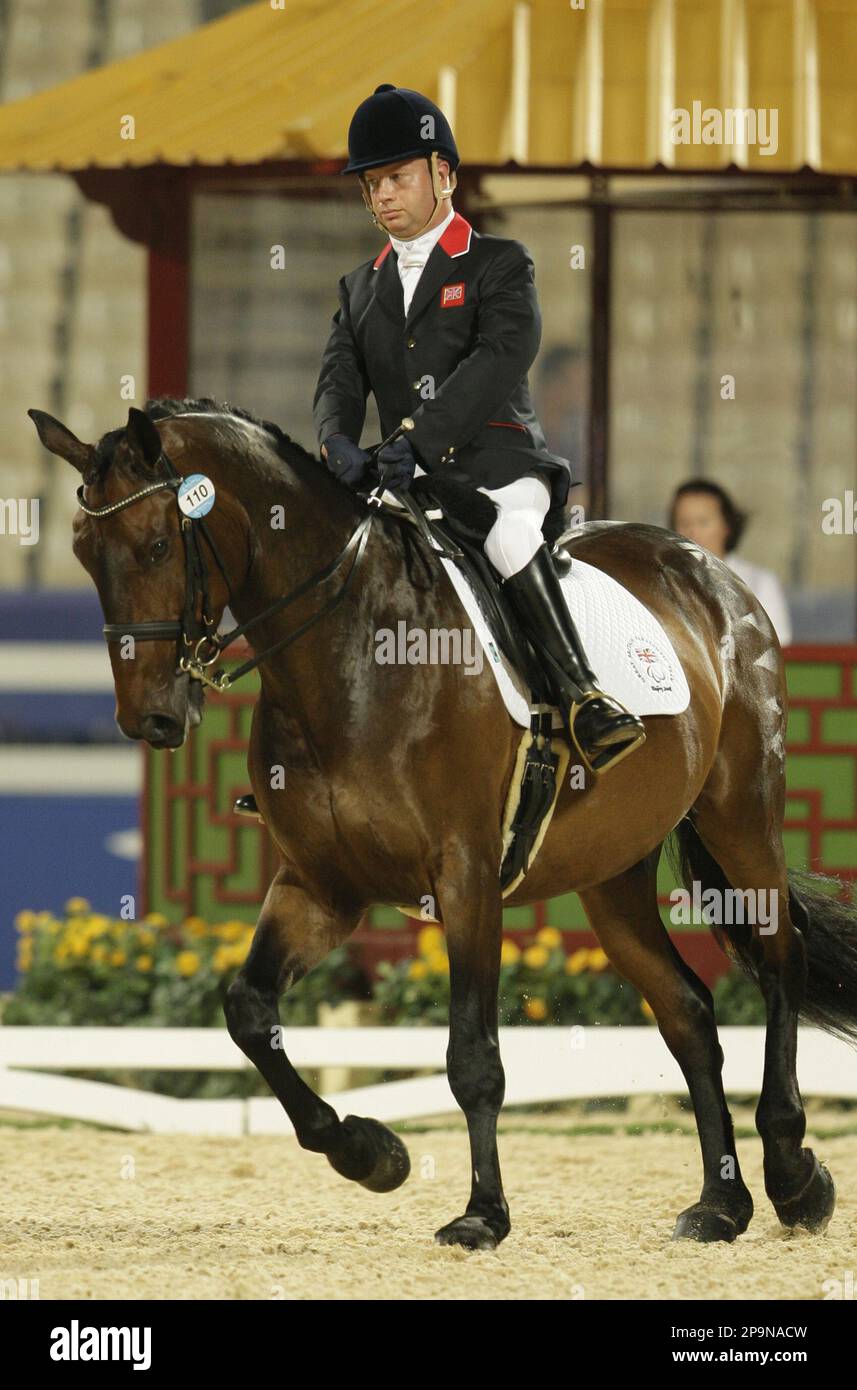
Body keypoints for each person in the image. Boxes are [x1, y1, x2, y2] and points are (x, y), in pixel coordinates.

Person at [312, 83, 645, 775]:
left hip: (496, 466)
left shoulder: (499, 262)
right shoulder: (359, 287)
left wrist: (417, 442)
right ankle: (315, 749)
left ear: (444, 174)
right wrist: (336, 440)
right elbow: (339, 376)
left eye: (396, 178)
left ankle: (581, 696)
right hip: (401, 475)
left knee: (509, 534)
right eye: (371, 184)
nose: (381, 197)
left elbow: (500, 359)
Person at [669, 480, 792, 646]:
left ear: (726, 526)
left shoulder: (760, 581)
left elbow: (778, 645)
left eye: (703, 522)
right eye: (684, 523)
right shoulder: (664, 581)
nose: (693, 532)